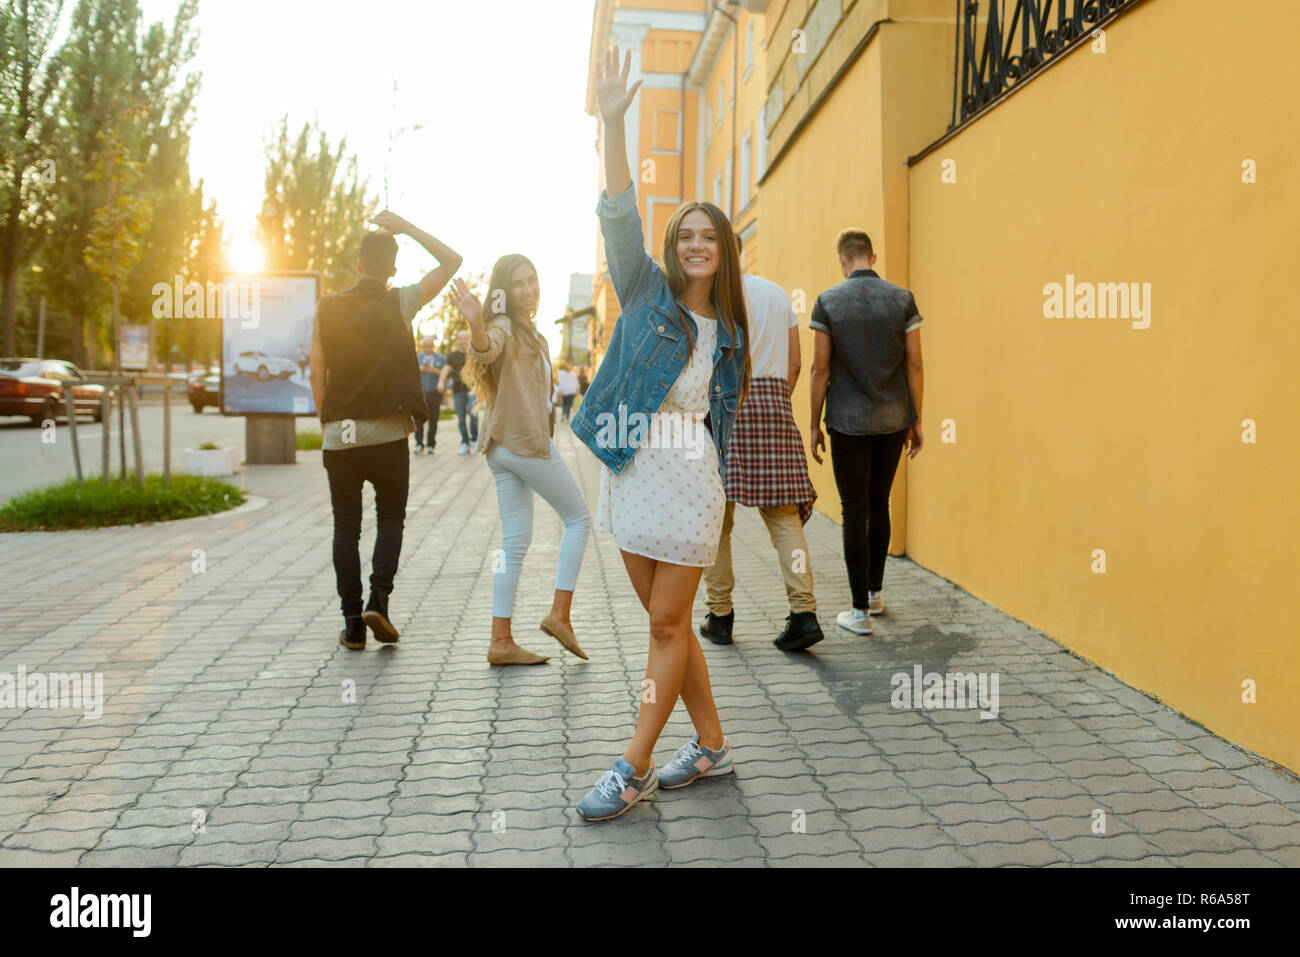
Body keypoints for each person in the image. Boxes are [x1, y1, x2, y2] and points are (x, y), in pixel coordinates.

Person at [570, 47, 751, 821]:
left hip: (690, 482)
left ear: (724, 248)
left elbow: (730, 418)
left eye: (708, 236)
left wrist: (739, 493)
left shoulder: (735, 329)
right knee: (667, 623)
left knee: (666, 623)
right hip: (633, 469)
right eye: (686, 235)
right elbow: (617, 207)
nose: (695, 245)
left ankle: (633, 763)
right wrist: (614, 122)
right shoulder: (644, 288)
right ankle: (709, 740)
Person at [310, 211, 462, 650]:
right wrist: (408, 228)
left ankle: (353, 624)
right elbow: (452, 261)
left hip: (340, 438)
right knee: (390, 519)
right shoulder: (401, 300)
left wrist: (329, 422)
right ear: (392, 269)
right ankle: (379, 600)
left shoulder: (325, 307)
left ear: (358, 263)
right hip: (388, 437)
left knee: (345, 528)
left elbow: (317, 372)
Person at [450, 259, 592, 667]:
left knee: (513, 545)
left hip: (501, 447)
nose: (528, 290)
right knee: (580, 518)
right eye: (517, 284)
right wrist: (477, 322)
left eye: (532, 281)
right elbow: (486, 347)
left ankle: (501, 641)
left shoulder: (532, 332)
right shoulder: (506, 327)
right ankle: (560, 614)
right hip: (523, 443)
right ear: (504, 291)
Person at [808, 228, 924, 637]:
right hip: (893, 420)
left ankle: (859, 614)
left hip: (847, 423)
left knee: (854, 511)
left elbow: (820, 369)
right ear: (872, 258)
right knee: (881, 504)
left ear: (842, 260)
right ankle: (875, 593)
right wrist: (917, 418)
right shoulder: (902, 299)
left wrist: (813, 424)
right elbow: (915, 365)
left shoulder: (828, 302)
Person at [700, 272, 822, 652]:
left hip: (722, 404)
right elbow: (797, 362)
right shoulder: (777, 292)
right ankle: (804, 613)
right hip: (773, 401)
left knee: (717, 522)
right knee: (784, 518)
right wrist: (774, 399)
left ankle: (720, 618)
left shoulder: (710, 293)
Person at [439, 330, 479, 454]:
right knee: (461, 419)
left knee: (473, 415)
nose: (463, 341)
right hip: (458, 391)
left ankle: (474, 440)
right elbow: (445, 369)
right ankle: (465, 443)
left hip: (473, 390)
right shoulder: (452, 356)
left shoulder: (474, 354)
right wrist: (440, 382)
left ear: (469, 339)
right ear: (457, 341)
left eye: (465, 338)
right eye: (460, 339)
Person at [416, 336, 445, 454]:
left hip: (435, 393)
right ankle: (419, 443)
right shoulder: (417, 358)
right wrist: (422, 369)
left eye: (430, 346)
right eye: (426, 346)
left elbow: (445, 373)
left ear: (433, 346)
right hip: (420, 393)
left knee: (433, 419)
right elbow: (412, 373)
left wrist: (433, 370)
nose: (428, 348)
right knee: (419, 419)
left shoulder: (441, 358)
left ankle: (431, 444)